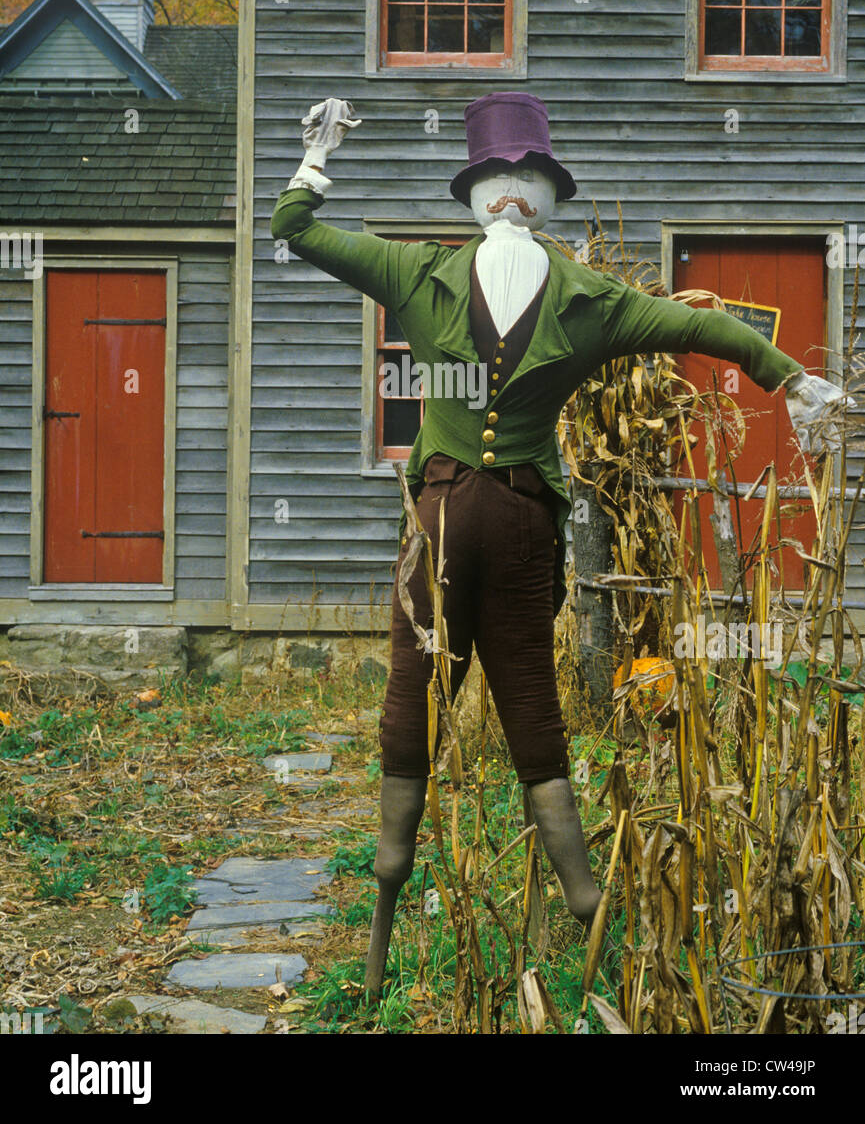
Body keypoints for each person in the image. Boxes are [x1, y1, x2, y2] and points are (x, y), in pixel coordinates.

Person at [271, 92, 848, 996]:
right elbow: (296, 228)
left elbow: (698, 325)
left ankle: (584, 927)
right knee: (409, 704)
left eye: (526, 180)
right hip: (446, 532)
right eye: (497, 180)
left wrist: (787, 376)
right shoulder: (420, 272)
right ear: (474, 197)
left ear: (546, 197)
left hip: (516, 535)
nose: (510, 194)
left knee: (529, 713)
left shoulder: (589, 301)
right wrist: (316, 155)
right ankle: (392, 910)